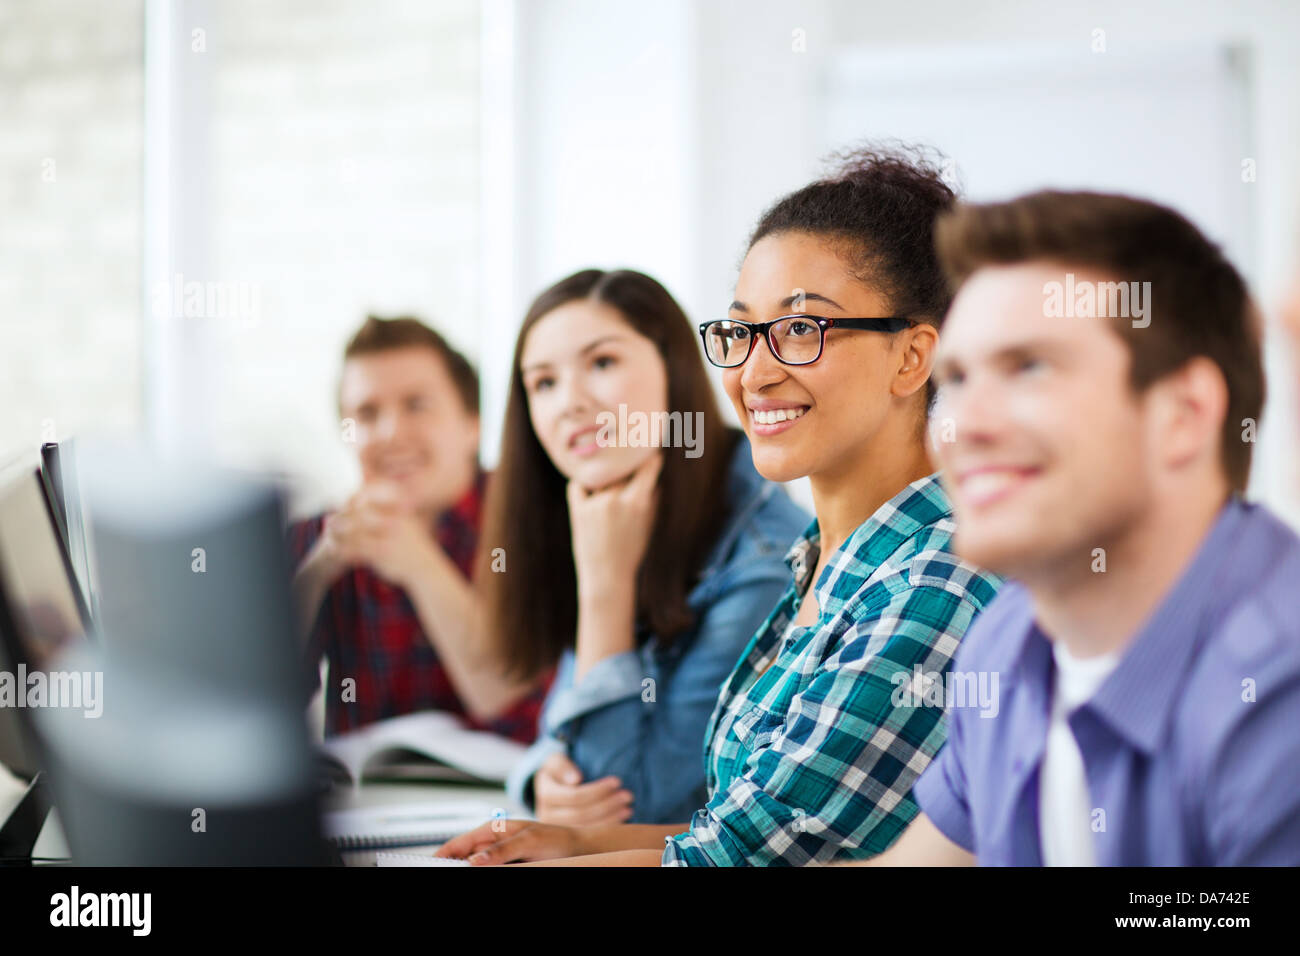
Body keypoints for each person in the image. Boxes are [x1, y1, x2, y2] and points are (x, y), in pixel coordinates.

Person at [437, 146, 1002, 866]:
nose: (754, 373)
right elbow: (745, 829)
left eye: (802, 330)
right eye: (741, 333)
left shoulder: (937, 579)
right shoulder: (827, 565)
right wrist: (574, 838)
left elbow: (743, 863)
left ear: (912, 358)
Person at [860, 190, 1300, 866]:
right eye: (956, 378)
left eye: (1028, 367)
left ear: (1184, 414)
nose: (962, 429)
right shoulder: (1008, 642)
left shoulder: (1277, 688)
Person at [486, 268, 809, 826]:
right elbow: (561, 741)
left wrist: (605, 590)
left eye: (602, 363)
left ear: (672, 367)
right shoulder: (607, 506)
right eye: (544, 383)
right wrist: (538, 778)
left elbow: (636, 806)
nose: (570, 403)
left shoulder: (764, 557)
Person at [288, 316, 551, 741]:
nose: (391, 433)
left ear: (472, 426)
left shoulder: (531, 522)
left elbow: (522, 708)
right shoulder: (320, 538)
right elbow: (252, 704)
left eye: (416, 405)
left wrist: (420, 566)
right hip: (370, 802)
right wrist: (318, 572)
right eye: (367, 414)